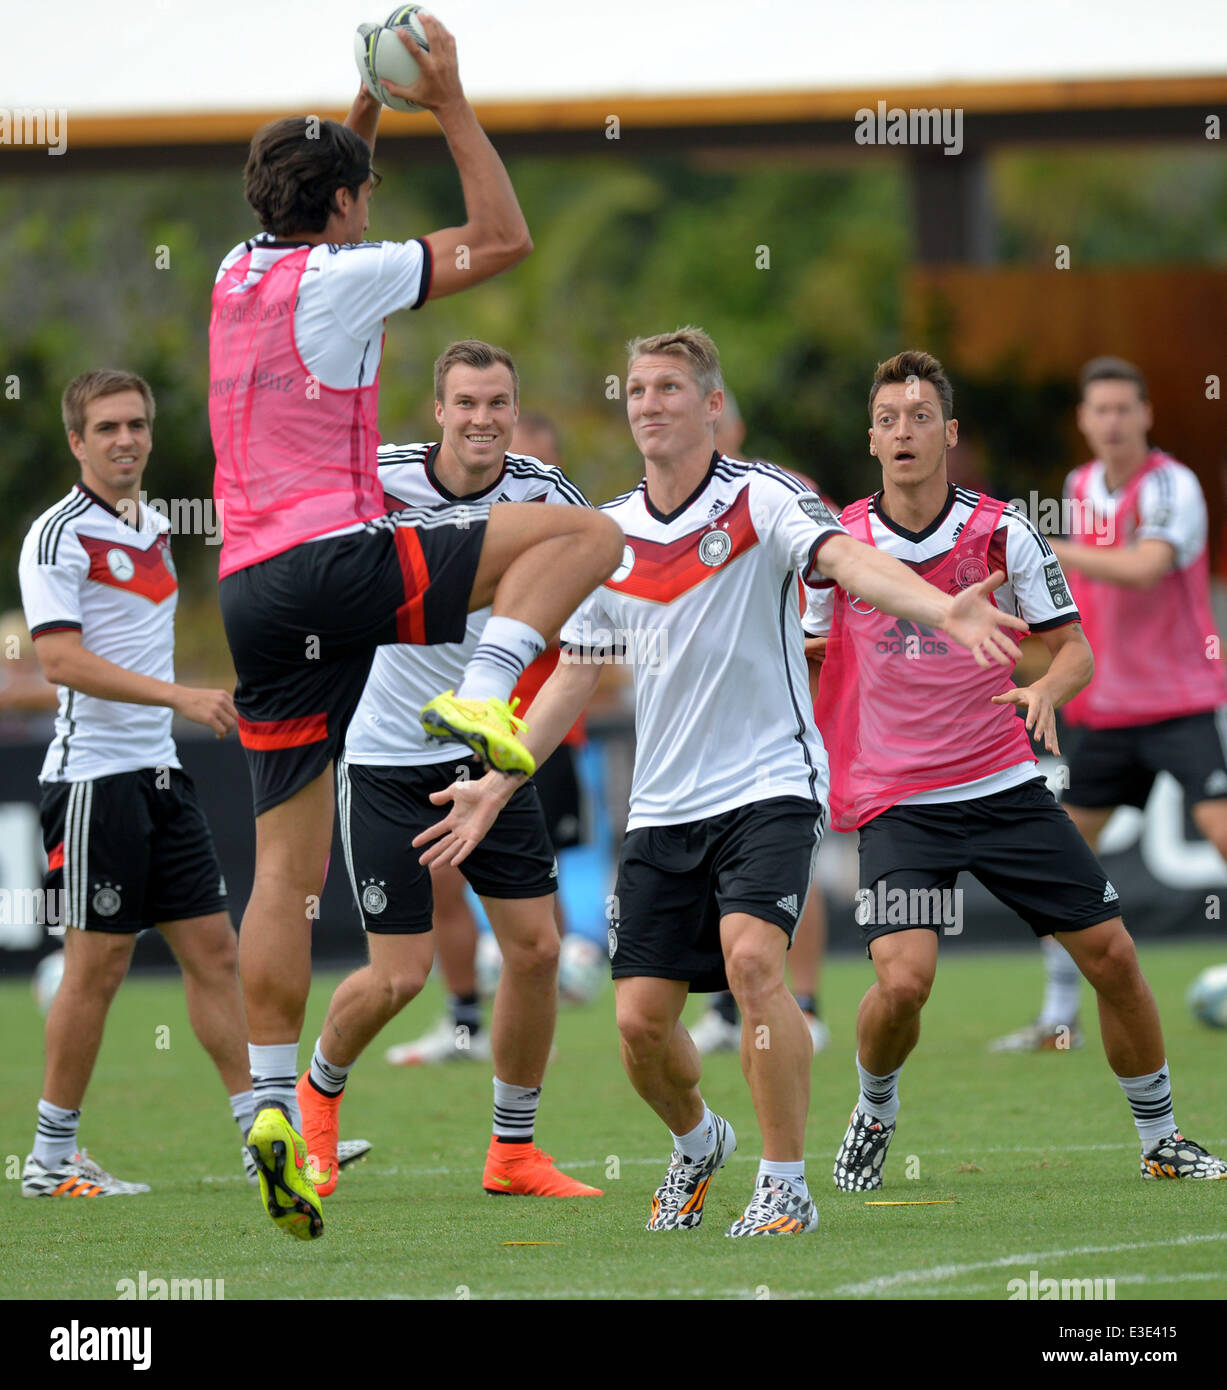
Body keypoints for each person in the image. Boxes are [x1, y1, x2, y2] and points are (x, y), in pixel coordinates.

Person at [414, 327, 1028, 1236]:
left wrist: (942, 606)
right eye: (636, 390)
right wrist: (495, 784)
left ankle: (784, 1187)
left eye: (670, 387)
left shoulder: (763, 498)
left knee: (750, 962)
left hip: (771, 779)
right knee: (638, 1028)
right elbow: (575, 674)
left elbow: (848, 563)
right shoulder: (605, 534)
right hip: (662, 806)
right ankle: (700, 1141)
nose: (648, 403)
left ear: (710, 406)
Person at [209, 18, 623, 1240]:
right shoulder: (346, 275)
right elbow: (503, 237)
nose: (370, 204)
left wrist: (357, 108)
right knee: (585, 538)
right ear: (341, 207)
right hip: (335, 561)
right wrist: (446, 96)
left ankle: (274, 1107)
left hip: (245, 591)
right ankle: (491, 688)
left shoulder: (239, 267)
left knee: (282, 874)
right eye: (362, 192)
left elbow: (323, 182)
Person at [805, 349, 1226, 1189]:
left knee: (1112, 957)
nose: (902, 432)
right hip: (899, 802)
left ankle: (1160, 1137)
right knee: (904, 983)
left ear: (948, 433)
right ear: (870, 439)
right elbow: (813, 646)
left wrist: (1043, 690)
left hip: (1004, 788)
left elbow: (1074, 652)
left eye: (919, 416)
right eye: (887, 419)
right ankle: (874, 1106)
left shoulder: (1003, 530)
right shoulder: (839, 544)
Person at [296, 341, 600, 1199]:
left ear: (514, 407)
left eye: (497, 403)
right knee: (399, 973)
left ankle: (512, 1154)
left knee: (537, 951)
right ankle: (315, 1107)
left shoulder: (545, 493)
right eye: (465, 403)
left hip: (489, 757)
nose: (481, 419)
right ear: (438, 411)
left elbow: (592, 623)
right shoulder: (377, 481)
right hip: (389, 760)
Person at [16, 369, 251, 1199]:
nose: (126, 439)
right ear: (77, 441)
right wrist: (182, 695)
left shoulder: (155, 523)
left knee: (216, 954)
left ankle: (262, 1134)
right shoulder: (55, 535)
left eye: (137, 425)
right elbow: (59, 660)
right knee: (97, 971)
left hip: (162, 777)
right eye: (107, 427)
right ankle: (49, 1161)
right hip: (93, 784)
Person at [990, 356, 1227, 1052]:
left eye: (1125, 408)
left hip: (1180, 701)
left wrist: (1046, 547)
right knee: (1065, 856)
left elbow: (1146, 566)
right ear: (1084, 421)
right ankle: (1058, 1018)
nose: (1113, 421)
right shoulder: (1077, 484)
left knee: (1220, 830)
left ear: (1146, 415)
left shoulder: (1171, 486)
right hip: (1104, 709)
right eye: (1101, 410)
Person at [384, 410, 595, 1067]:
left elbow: (590, 631)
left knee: (536, 888)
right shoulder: (422, 501)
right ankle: (464, 1020)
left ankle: (542, 1015)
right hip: (437, 730)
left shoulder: (561, 514)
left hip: (536, 730)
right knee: (441, 874)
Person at [690, 392, 830, 1055]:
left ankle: (803, 1002)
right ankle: (725, 1006)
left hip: (785, 709)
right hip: (707, 721)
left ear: (733, 421)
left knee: (794, 861)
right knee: (717, 867)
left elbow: (827, 594)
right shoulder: (667, 502)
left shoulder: (781, 490)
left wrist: (800, 655)